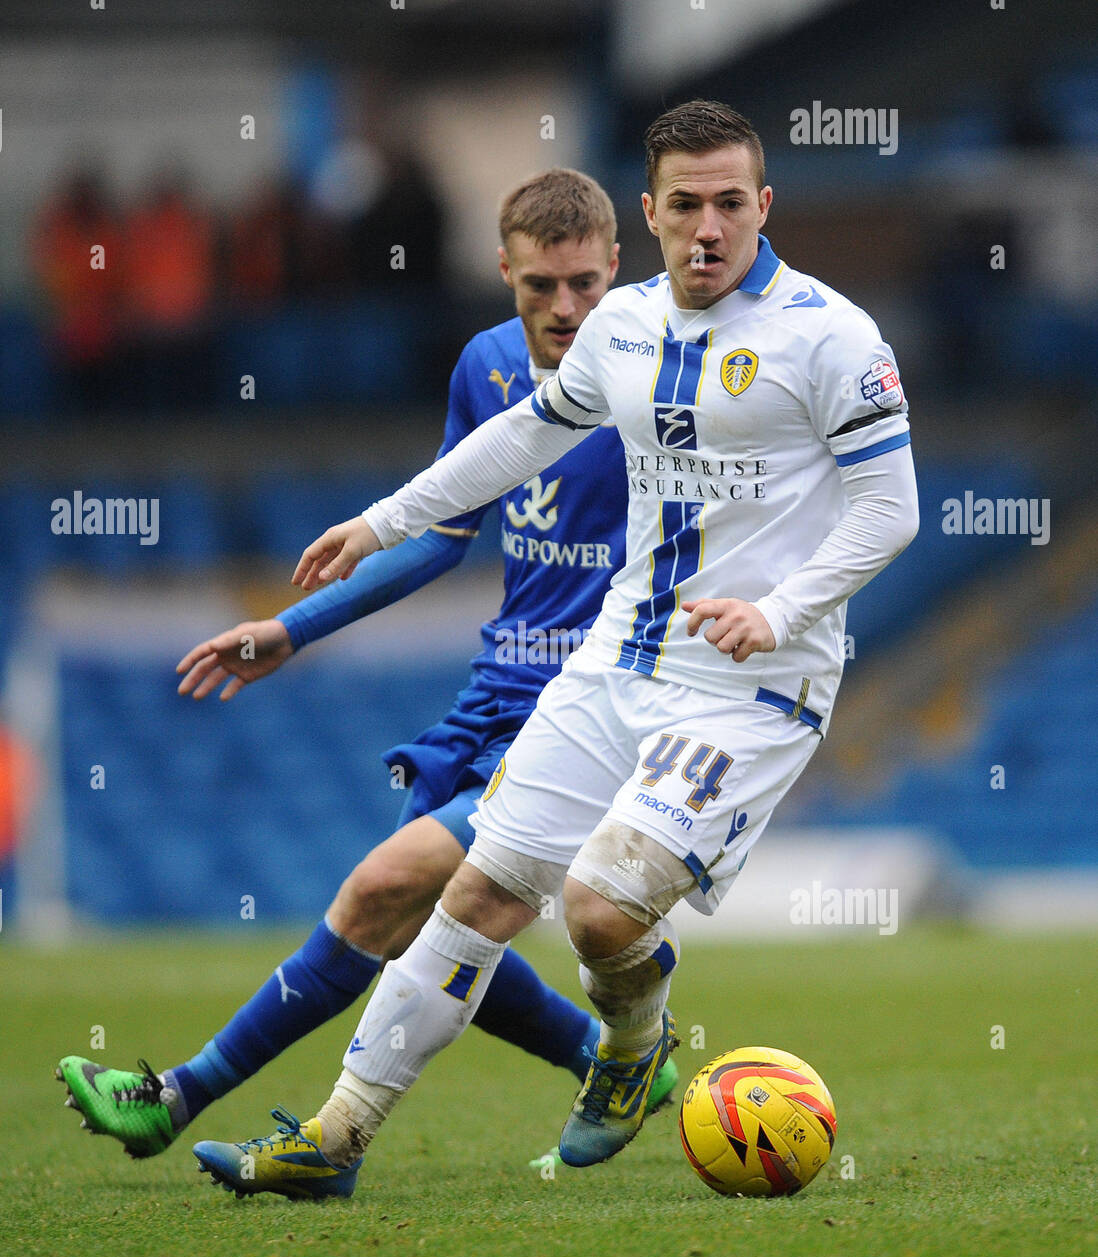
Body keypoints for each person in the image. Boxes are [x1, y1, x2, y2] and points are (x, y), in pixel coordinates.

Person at [193, 99, 918, 1198]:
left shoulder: (832, 336)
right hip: (621, 658)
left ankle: (630, 1047)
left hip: (754, 684)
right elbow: (525, 433)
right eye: (687, 205)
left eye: (731, 203)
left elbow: (890, 508)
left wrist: (784, 609)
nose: (709, 228)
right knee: (476, 896)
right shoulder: (623, 324)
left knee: (598, 906)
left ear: (764, 205)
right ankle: (332, 1140)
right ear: (651, 212)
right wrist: (383, 520)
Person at [56, 169, 679, 1187]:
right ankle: (601, 1058)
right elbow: (443, 539)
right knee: (403, 928)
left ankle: (175, 1099)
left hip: (594, 709)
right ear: (504, 272)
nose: (564, 308)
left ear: (617, 265)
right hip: (493, 694)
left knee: (383, 891)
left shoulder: (664, 383)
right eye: (540, 286)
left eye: (583, 283)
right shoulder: (485, 368)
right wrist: (294, 630)